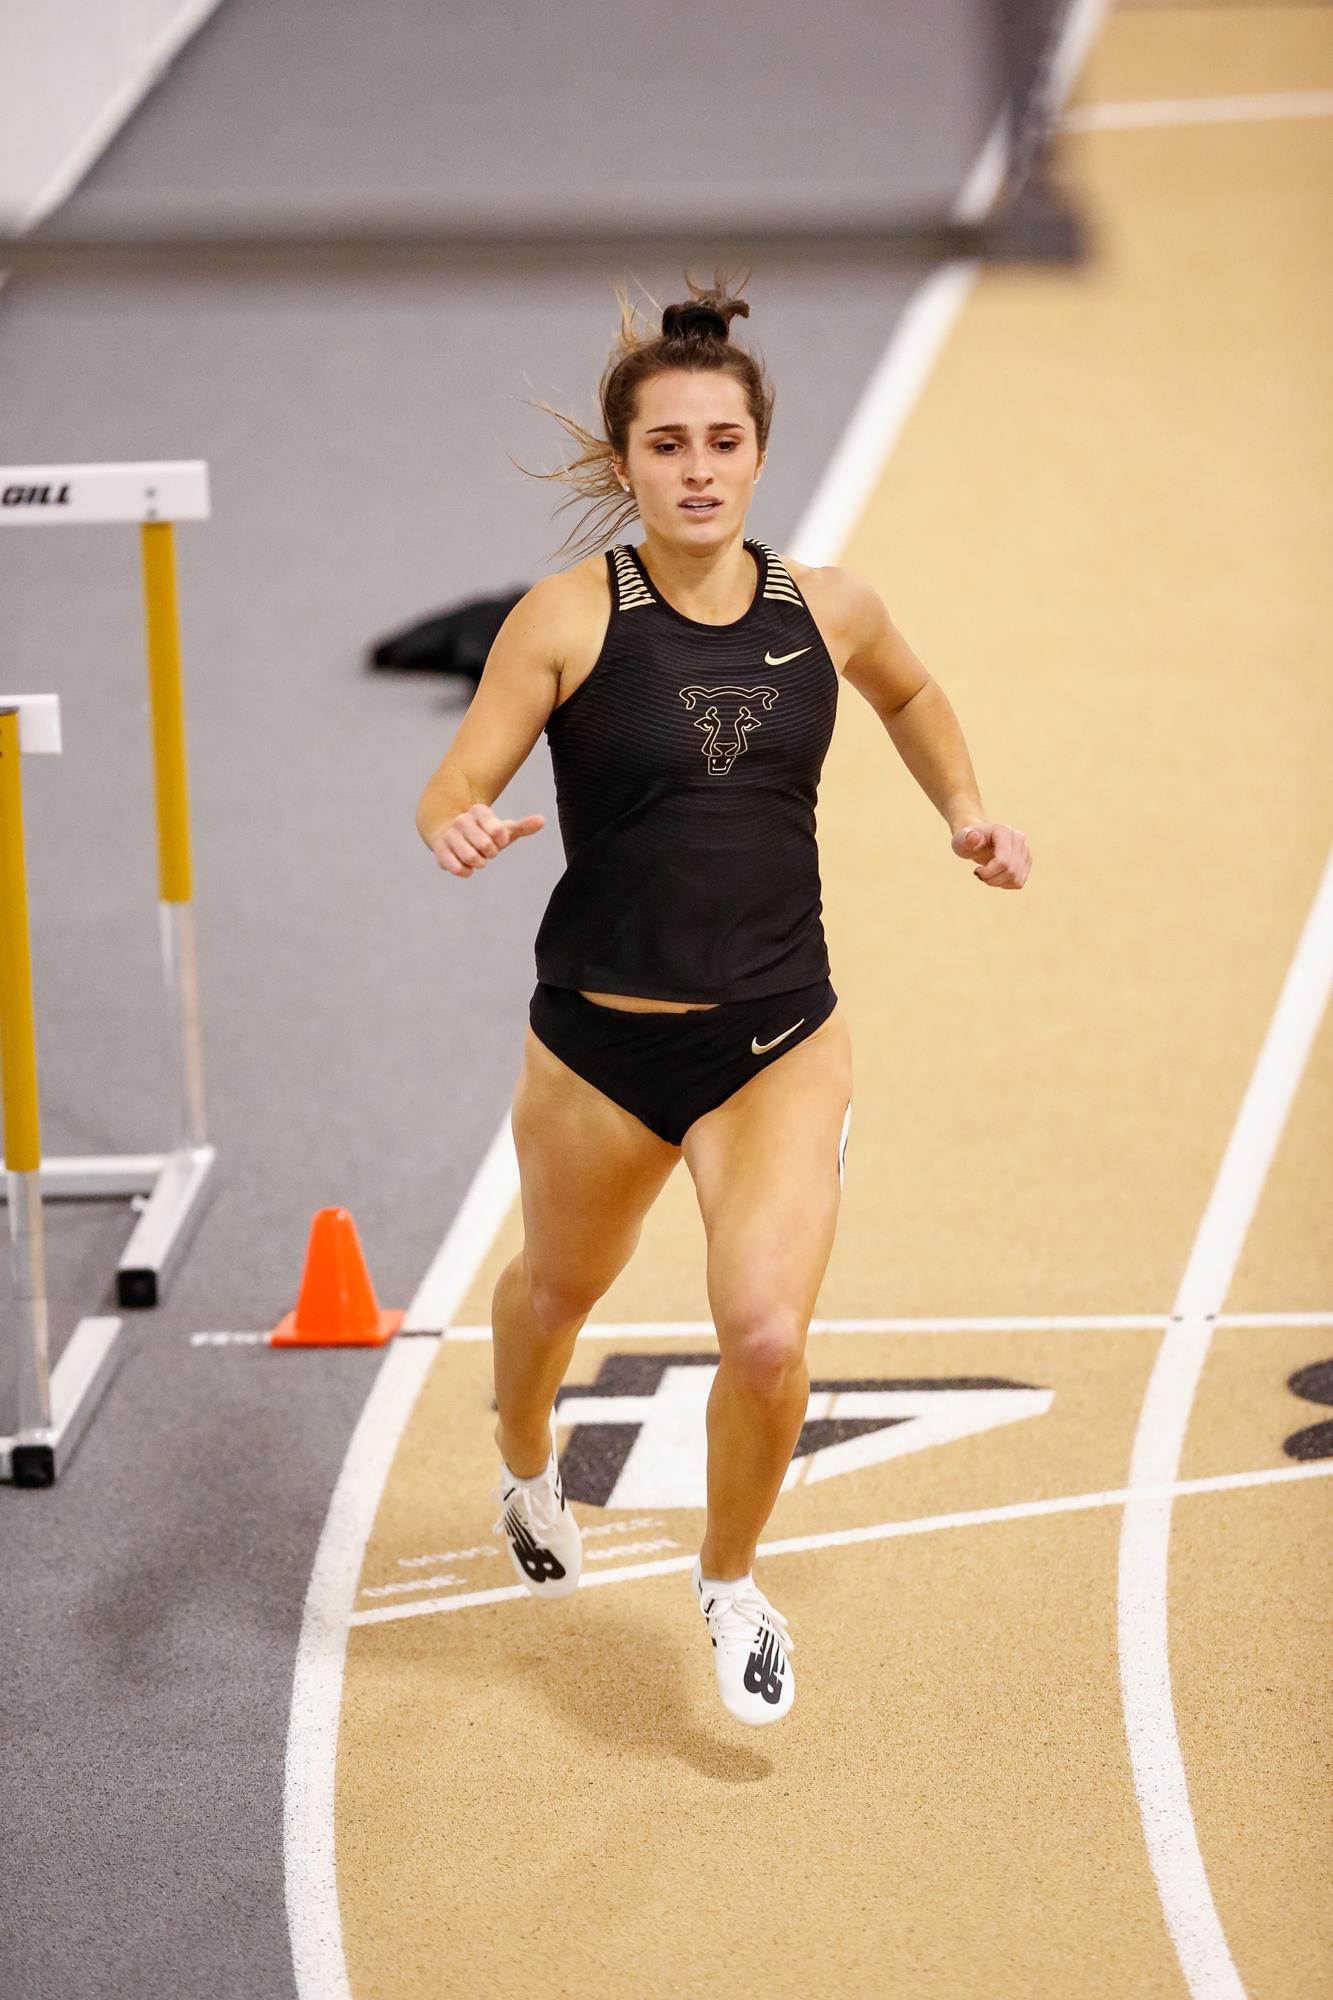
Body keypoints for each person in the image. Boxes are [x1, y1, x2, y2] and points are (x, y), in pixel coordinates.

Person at [414, 275, 1031, 1727]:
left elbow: (911, 691)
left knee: (763, 1335)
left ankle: (730, 1583)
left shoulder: (829, 606)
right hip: (597, 1047)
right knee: (556, 1292)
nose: (697, 469)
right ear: (623, 462)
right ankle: (521, 1457)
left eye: (721, 442)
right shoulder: (564, 618)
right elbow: (458, 778)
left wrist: (965, 809)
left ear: (759, 452)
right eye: (668, 445)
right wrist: (452, 822)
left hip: (774, 1039)